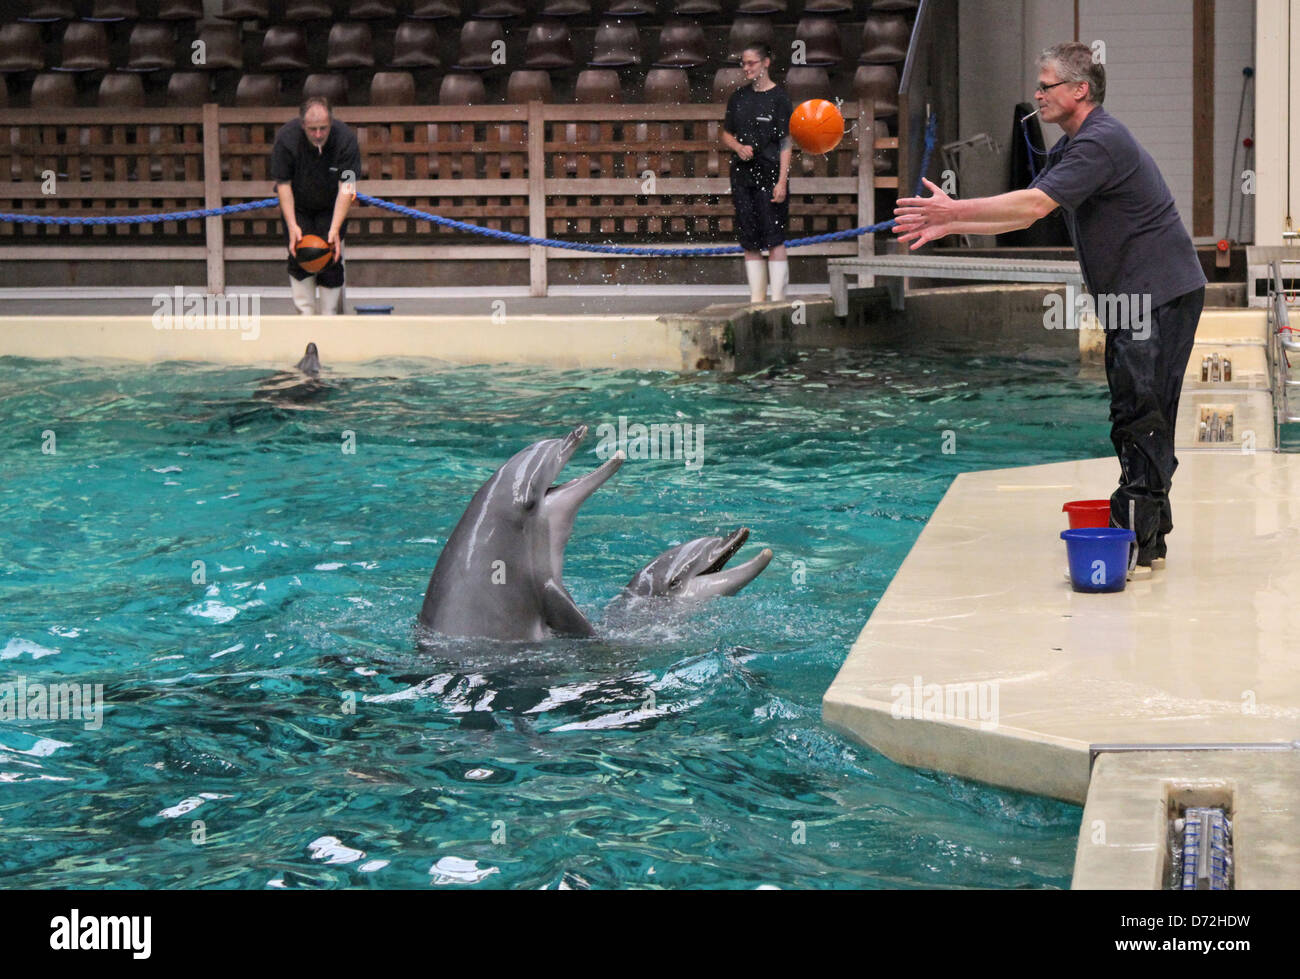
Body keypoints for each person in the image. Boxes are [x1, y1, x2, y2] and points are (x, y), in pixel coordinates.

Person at [893, 42, 1206, 569]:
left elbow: (1034, 204)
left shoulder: (1099, 142)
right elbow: (1024, 216)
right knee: (1134, 411)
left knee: (1141, 413)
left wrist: (954, 208)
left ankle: (1135, 534)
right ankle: (1149, 535)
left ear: (1079, 90)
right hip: (1136, 299)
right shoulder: (1075, 146)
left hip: (1159, 294)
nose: (1037, 95)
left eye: (1046, 85)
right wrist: (951, 222)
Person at [271, 96, 360, 315]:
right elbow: (283, 185)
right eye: (313, 129)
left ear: (331, 123)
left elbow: (347, 186)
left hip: (332, 206)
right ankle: (305, 315)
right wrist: (292, 225)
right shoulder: (285, 138)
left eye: (323, 128)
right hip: (298, 205)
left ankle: (329, 316)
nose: (318, 134)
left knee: (331, 255)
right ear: (303, 125)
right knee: (299, 254)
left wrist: (335, 228)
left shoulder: (346, 139)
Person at [722, 43, 793, 303]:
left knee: (774, 240)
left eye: (751, 62)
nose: (746, 68)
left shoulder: (780, 99)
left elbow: (786, 143)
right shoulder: (738, 97)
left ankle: (778, 300)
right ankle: (756, 299)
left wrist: (782, 181)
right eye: (743, 63)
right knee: (749, 242)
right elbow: (726, 134)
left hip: (771, 175)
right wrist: (738, 147)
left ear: (766, 63)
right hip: (743, 178)